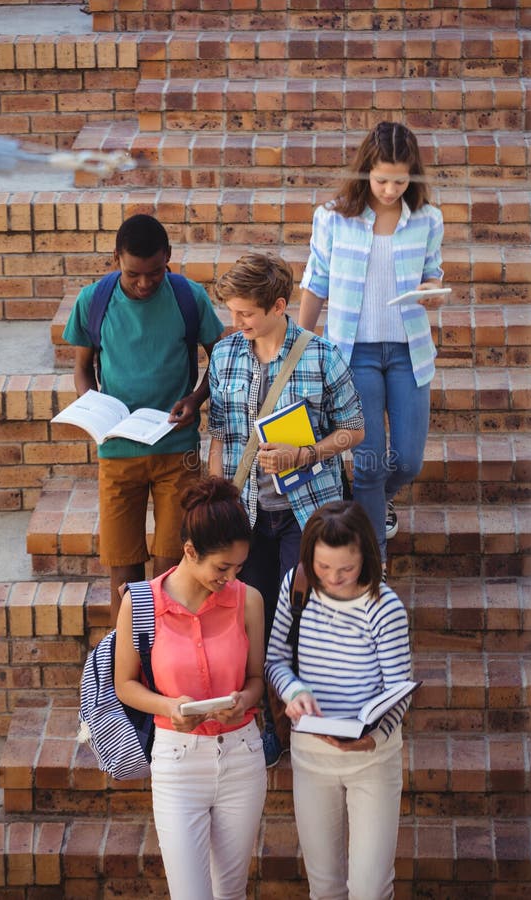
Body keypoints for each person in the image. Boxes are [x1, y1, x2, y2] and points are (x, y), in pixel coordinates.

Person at [207, 250, 365, 766]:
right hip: (245, 516)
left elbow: (355, 429)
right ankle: (267, 728)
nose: (237, 323)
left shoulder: (323, 356)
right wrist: (215, 504)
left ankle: (305, 722)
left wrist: (308, 452)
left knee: (298, 621)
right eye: (232, 312)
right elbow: (220, 436)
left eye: (246, 313)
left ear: (278, 306)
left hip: (306, 514)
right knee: (249, 623)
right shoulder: (226, 354)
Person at [298, 120, 445, 569]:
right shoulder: (333, 217)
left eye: (400, 180)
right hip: (354, 354)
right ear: (366, 172)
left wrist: (433, 290)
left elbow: (433, 274)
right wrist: (299, 343)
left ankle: (379, 501)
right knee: (368, 463)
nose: (389, 188)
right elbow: (316, 282)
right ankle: (374, 563)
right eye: (382, 179)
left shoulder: (427, 219)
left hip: (407, 352)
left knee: (407, 461)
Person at [62, 214, 224, 621]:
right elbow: (82, 368)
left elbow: (220, 357)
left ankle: (165, 662)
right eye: (133, 273)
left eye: (155, 272)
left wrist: (196, 398)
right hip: (117, 450)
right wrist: (92, 404)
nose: (145, 282)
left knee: (172, 564)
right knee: (124, 567)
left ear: (168, 257)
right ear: (116, 258)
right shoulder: (94, 301)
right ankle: (126, 664)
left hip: (175, 449)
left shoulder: (188, 297)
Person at [114, 476, 267, 900]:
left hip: (242, 756)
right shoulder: (141, 602)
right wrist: (170, 705)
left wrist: (243, 701)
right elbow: (124, 684)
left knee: (230, 893)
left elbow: (256, 680)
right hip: (177, 763)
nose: (231, 577)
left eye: (238, 566)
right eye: (222, 567)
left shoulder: (249, 600)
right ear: (189, 551)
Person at [265, 500, 412, 900]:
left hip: (373, 761)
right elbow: (275, 660)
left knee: (370, 888)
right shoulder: (295, 588)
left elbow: (399, 691)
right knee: (325, 887)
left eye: (345, 569)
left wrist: (374, 735)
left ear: (366, 555)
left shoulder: (386, 608)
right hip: (312, 758)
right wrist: (294, 691)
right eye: (323, 568)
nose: (333, 578)